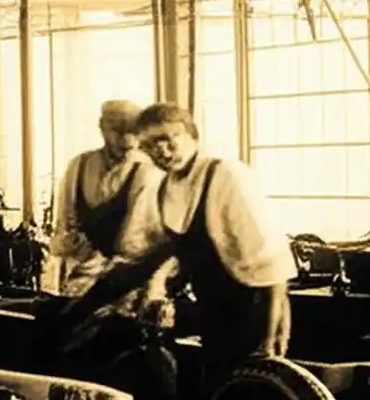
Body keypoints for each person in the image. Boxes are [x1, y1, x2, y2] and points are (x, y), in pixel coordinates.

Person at [119, 102, 294, 381]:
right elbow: (166, 249)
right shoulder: (165, 187)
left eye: (168, 139)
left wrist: (272, 333)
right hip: (212, 309)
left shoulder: (227, 175)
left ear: (192, 135)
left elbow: (272, 260)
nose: (161, 151)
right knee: (212, 389)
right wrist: (155, 285)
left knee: (246, 391)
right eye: (150, 145)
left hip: (253, 307)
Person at [52, 100, 162, 297]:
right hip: (77, 279)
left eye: (133, 131)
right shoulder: (78, 166)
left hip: (125, 285)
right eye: (118, 130)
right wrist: (70, 242)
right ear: (102, 127)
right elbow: (63, 228)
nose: (126, 139)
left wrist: (99, 267)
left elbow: (133, 246)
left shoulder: (146, 173)